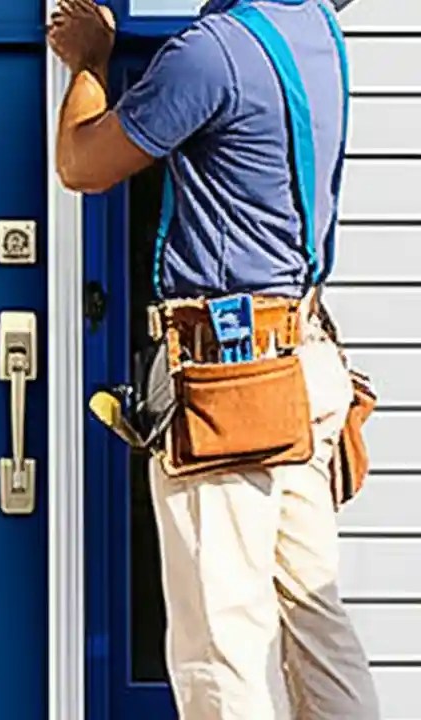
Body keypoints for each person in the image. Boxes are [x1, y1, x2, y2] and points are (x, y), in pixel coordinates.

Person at [48, 0, 380, 717]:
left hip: (231, 381)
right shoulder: (317, 32)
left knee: (220, 644)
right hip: (304, 362)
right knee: (317, 628)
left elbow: (82, 163)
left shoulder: (211, 55)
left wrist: (89, 61)